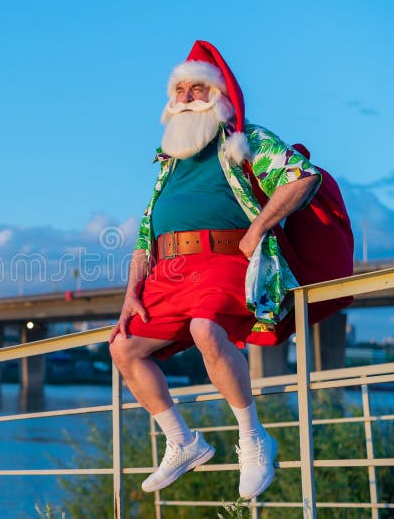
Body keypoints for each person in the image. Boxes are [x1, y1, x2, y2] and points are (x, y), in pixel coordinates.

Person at [108, 40, 322, 499]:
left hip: (225, 262)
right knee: (124, 348)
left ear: (218, 95)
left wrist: (258, 229)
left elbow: (303, 177)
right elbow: (146, 234)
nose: (185, 97)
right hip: (169, 271)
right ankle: (183, 443)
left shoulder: (246, 140)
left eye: (196, 88)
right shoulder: (168, 163)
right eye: (179, 89)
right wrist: (132, 292)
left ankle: (253, 438)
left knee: (207, 329)